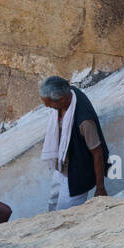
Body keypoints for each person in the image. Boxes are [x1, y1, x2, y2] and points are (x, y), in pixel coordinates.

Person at [38, 75, 110, 210]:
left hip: (78, 173)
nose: (47, 107)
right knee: (52, 204)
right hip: (62, 164)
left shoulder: (84, 121)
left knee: (64, 212)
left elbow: (97, 153)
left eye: (49, 104)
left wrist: (100, 187)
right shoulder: (68, 93)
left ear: (62, 100)